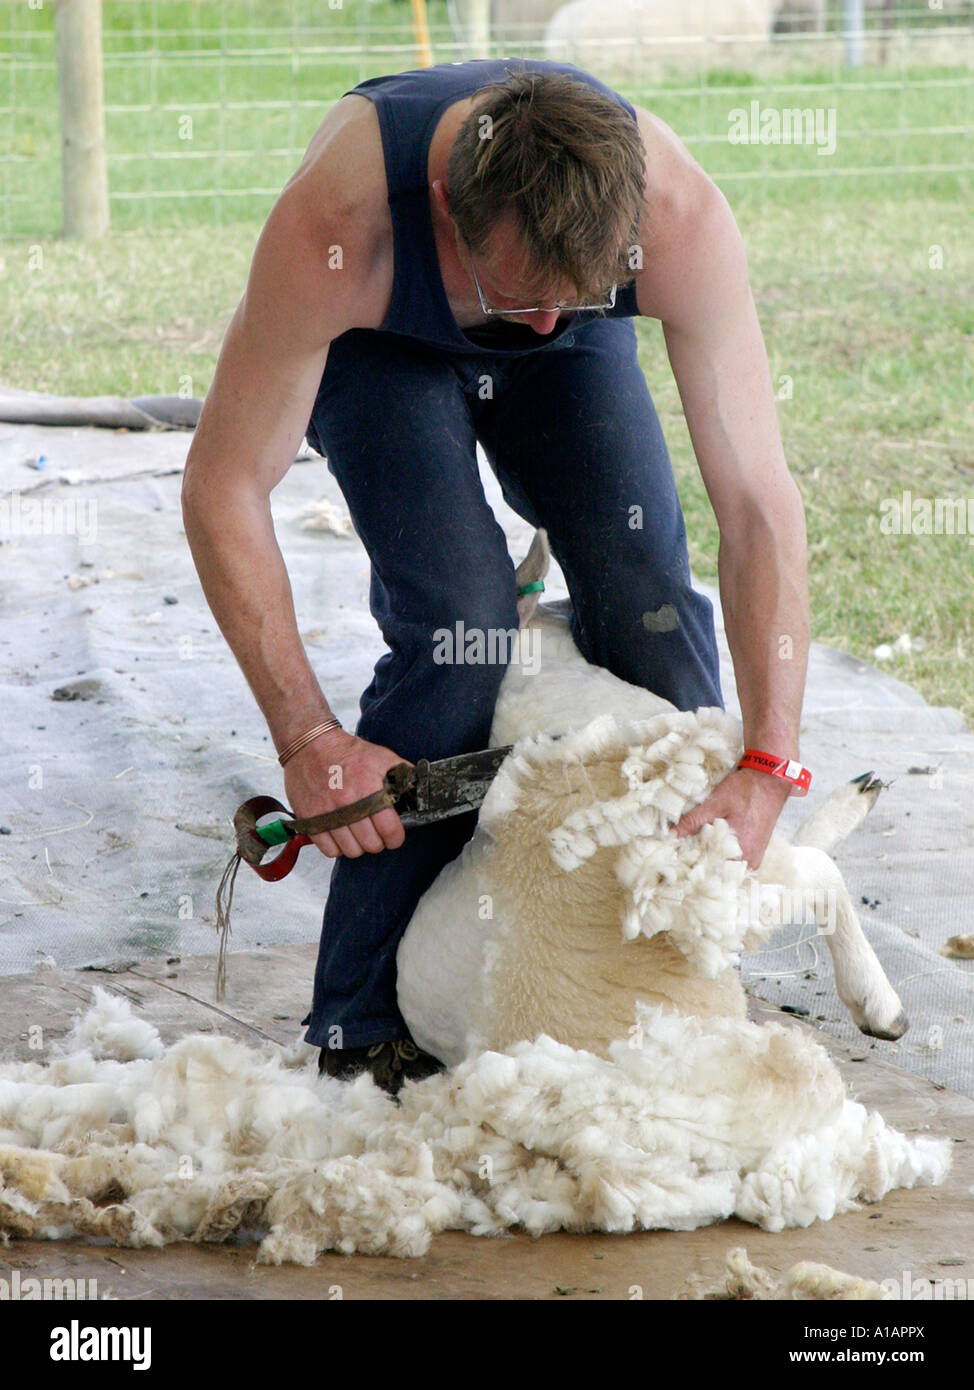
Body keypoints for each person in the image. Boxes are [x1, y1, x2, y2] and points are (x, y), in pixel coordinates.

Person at [182, 57, 810, 1095]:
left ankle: (668, 947)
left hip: (551, 298)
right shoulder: (338, 227)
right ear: (444, 208)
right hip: (382, 342)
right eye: (523, 296)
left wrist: (768, 762)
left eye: (584, 292)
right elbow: (223, 486)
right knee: (457, 624)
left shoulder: (672, 219)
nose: (546, 323)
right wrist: (307, 737)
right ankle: (362, 1017)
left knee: (642, 581)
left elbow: (755, 503)